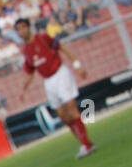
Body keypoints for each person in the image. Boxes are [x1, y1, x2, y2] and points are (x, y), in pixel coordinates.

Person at [14, 18, 95, 158]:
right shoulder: (26, 50)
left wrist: (77, 65)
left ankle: (86, 144)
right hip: (48, 82)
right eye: (19, 29)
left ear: (29, 27)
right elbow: (30, 71)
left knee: (71, 107)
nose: (22, 31)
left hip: (60, 73)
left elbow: (61, 48)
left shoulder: (43, 38)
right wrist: (23, 90)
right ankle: (85, 143)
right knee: (63, 116)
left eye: (23, 27)